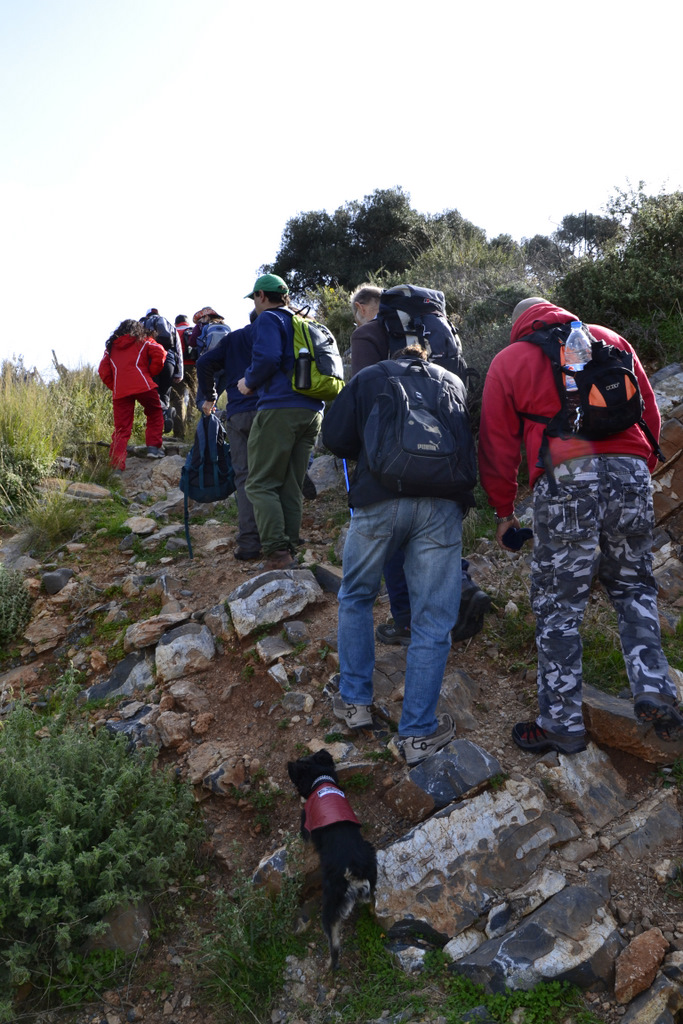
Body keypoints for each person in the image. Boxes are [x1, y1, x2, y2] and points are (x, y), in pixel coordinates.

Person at [478, 296, 683, 755]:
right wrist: (637, 471)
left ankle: (561, 724)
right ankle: (654, 687)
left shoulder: (510, 360)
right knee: (634, 585)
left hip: (566, 477)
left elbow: (497, 445)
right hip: (630, 472)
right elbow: (649, 413)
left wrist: (504, 511)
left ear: (520, 326)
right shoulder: (609, 339)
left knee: (559, 605)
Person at [322, 344, 476, 765]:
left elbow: (334, 438)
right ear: (426, 358)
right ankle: (417, 733)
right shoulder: (454, 382)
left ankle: (354, 702)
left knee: (357, 595)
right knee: (433, 620)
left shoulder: (371, 376)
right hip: (442, 505)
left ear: (395, 355)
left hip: (379, 500)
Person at [348, 283, 492, 647]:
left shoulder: (367, 334)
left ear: (365, 307)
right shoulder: (436, 331)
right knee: (435, 536)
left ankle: (407, 620)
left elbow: (362, 392)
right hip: (446, 455)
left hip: (393, 460)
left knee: (395, 542)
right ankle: (460, 587)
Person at [237, 274, 324, 572]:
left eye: (254, 298)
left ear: (261, 295)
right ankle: (289, 548)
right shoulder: (303, 321)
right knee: (290, 484)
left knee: (260, 483)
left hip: (279, 408)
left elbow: (269, 358)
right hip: (312, 410)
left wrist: (249, 382)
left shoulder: (268, 318)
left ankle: (277, 554)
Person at [197, 321, 262, 560]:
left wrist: (210, 396)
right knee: (273, 475)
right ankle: (281, 541)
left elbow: (204, 362)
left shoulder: (234, 339)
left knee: (244, 476)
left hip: (239, 413)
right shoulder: (278, 331)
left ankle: (249, 542)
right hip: (271, 411)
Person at [98, 319, 167, 467]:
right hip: (143, 384)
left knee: (121, 429)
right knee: (155, 412)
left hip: (121, 390)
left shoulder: (110, 348)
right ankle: (154, 448)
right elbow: (160, 352)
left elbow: (103, 371)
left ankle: (116, 466)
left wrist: (115, 386)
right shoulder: (144, 340)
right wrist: (151, 372)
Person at [139, 308, 183, 433]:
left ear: (147, 315)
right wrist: (179, 372)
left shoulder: (142, 324)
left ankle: (160, 421)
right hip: (170, 363)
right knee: (165, 394)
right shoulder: (170, 326)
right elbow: (178, 349)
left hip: (151, 362)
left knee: (153, 395)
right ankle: (166, 416)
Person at [169, 314, 197, 440]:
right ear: (187, 322)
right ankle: (194, 430)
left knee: (178, 398)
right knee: (194, 397)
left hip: (178, 368)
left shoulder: (172, 331)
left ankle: (179, 433)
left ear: (176, 323)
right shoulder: (192, 330)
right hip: (193, 367)